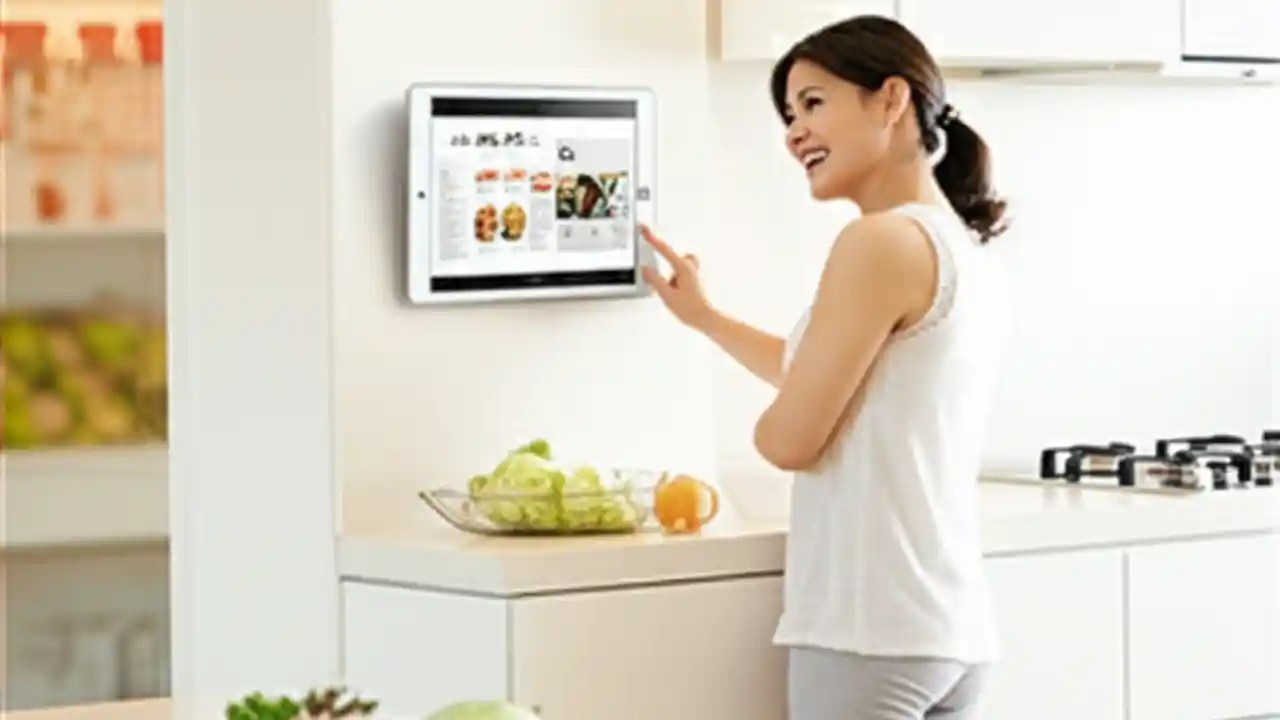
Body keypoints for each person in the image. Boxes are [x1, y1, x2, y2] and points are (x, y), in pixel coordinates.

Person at [640, 14, 1011, 720]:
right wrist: (709, 319)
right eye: (788, 114)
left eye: (813, 103)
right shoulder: (960, 247)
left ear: (892, 99)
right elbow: (837, 376)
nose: (793, 133)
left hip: (868, 630)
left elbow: (792, 438)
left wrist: (769, 429)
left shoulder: (877, 242)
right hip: (948, 630)